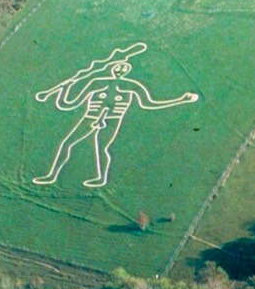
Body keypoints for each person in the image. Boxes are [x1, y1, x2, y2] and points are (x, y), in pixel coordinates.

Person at [32, 44, 198, 187]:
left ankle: (100, 178)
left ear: (127, 71)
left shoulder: (131, 86)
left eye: (123, 68)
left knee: (102, 147)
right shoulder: (97, 82)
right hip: (90, 117)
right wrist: (64, 89)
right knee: (67, 143)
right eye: (118, 67)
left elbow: (149, 104)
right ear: (112, 68)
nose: (120, 70)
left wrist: (180, 100)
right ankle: (52, 175)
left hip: (111, 121)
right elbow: (69, 104)